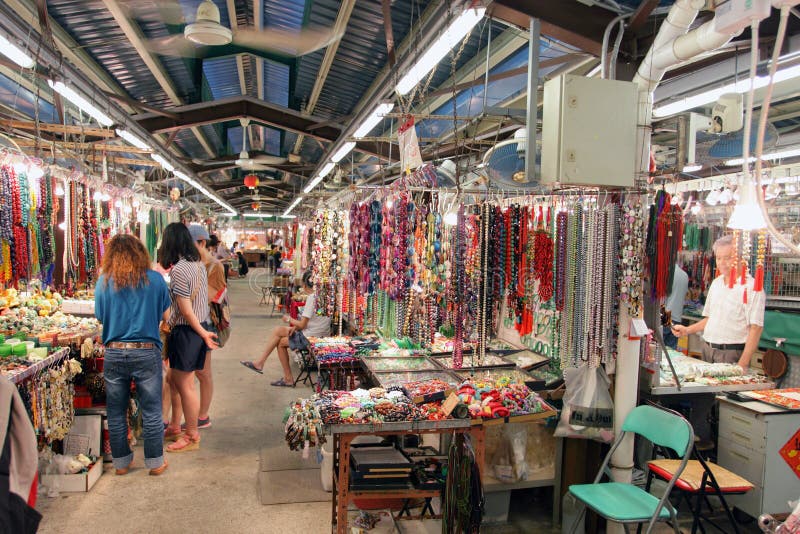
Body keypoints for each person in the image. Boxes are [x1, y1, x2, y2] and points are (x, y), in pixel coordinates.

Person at [94, 234, 171, 476]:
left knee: (116, 411)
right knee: (151, 409)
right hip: (146, 351)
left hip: (114, 352)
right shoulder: (155, 280)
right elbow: (166, 316)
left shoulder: (104, 281)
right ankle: (155, 462)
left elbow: (99, 316)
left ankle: (121, 464)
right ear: (141, 254)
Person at [159, 223, 218, 453]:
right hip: (194, 328)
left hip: (188, 331)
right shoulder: (197, 265)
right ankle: (175, 425)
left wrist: (202, 334)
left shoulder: (181, 269)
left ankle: (191, 434)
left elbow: (186, 309)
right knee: (175, 379)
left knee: (185, 384)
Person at [671, 234, 766, 369]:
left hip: (730, 353)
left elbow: (756, 329)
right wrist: (687, 330)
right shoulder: (716, 283)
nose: (721, 262)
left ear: (740, 258)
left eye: (727, 258)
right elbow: (710, 318)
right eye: (718, 258)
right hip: (707, 348)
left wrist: (742, 364)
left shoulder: (752, 288)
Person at [240, 270, 330, 386]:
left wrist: (288, 319)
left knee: (281, 343)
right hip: (318, 333)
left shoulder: (312, 298)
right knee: (278, 331)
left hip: (311, 338)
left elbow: (303, 325)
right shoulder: (326, 295)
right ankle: (260, 362)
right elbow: (309, 323)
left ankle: (286, 378)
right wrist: (296, 328)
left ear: (304, 284)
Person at [187, 225, 226, 429]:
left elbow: (216, 295)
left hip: (205, 323)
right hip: (187, 323)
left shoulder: (214, 267)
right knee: (185, 374)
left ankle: (202, 416)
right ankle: (190, 416)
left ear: (201, 243)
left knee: (203, 372)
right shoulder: (187, 264)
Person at [663, 263, 689, 349]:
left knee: (660, 348)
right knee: (671, 350)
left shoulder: (668, 274)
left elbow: (662, 298)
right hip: (677, 316)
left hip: (666, 314)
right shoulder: (685, 275)